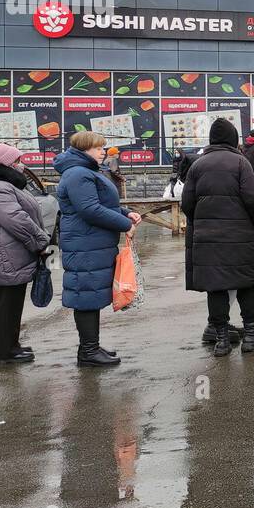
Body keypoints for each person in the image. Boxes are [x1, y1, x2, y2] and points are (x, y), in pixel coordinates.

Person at [181, 118, 254, 356]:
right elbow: (252, 199)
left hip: (207, 240)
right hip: (240, 236)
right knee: (247, 284)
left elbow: (187, 204)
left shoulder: (197, 165)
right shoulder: (240, 163)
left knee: (216, 288)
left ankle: (222, 339)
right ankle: (251, 335)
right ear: (233, 139)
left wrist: (203, 222)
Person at [54, 131, 142, 367]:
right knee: (86, 296)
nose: (103, 151)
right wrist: (125, 224)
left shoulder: (87, 171)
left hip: (92, 244)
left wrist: (126, 213)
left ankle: (90, 347)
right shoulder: (77, 174)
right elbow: (89, 209)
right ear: (84, 149)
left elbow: (104, 204)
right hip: (85, 244)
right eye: (98, 147)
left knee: (91, 295)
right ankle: (88, 352)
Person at [0, 143, 52, 364]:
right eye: (17, 161)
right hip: (5, 251)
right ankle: (4, 352)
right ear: (5, 164)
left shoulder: (5, 185)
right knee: (7, 303)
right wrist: (40, 241)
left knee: (12, 301)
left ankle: (9, 345)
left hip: (11, 249)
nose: (22, 164)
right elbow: (16, 219)